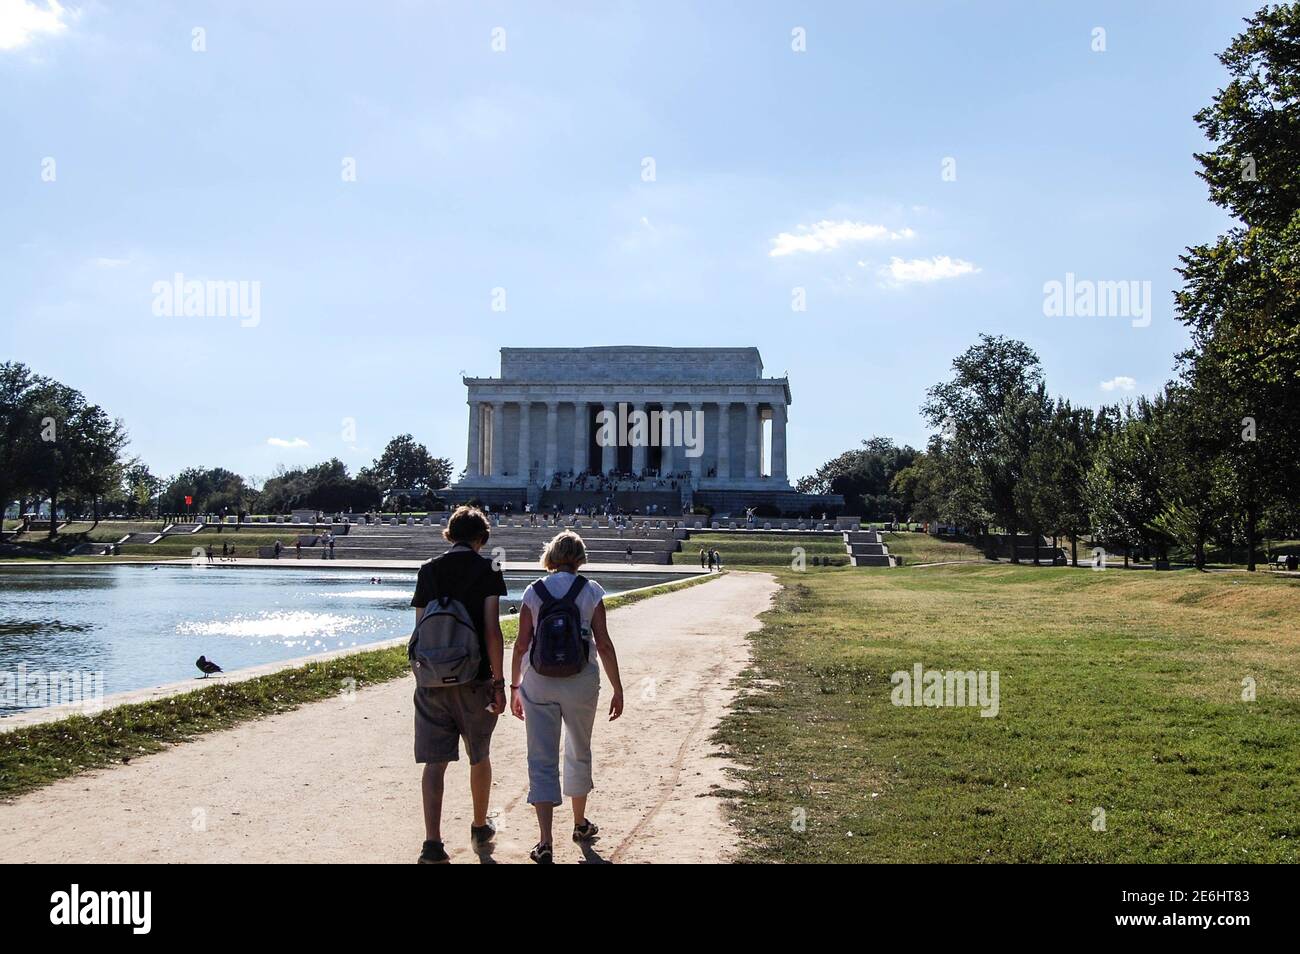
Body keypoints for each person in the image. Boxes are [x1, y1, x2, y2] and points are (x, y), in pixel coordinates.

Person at [510, 530, 624, 864]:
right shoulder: (591, 590)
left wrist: (515, 686)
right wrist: (617, 687)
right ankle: (579, 824)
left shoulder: (534, 591)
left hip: (538, 680)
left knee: (541, 757)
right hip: (580, 679)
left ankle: (545, 841)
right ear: (580, 558)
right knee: (578, 748)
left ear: (551, 556)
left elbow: (521, 644)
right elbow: (603, 643)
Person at [410, 506, 508, 864]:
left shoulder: (428, 570)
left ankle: (432, 843)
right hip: (474, 677)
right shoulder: (489, 568)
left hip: (432, 679)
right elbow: (492, 630)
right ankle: (480, 827)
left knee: (434, 763)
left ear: (449, 535)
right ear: (482, 538)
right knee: (478, 754)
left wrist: (424, 674)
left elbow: (420, 630)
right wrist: (498, 681)